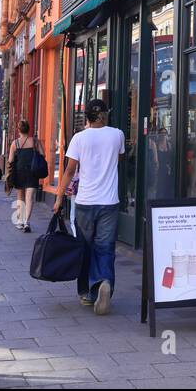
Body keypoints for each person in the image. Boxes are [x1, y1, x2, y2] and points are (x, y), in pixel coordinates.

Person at [55, 96, 124, 315]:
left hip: (85, 201)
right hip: (109, 202)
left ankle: (87, 293)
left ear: (87, 117)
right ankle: (104, 282)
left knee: (85, 246)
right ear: (105, 115)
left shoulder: (79, 138)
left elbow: (69, 171)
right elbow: (119, 159)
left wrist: (58, 199)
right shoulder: (117, 135)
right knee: (105, 247)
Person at [7, 119, 42, 233]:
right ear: (29, 129)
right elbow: (43, 154)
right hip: (32, 172)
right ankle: (27, 222)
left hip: (19, 172)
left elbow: (10, 160)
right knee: (30, 197)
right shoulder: (35, 141)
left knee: (20, 196)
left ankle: (20, 221)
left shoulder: (15, 143)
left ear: (18, 130)